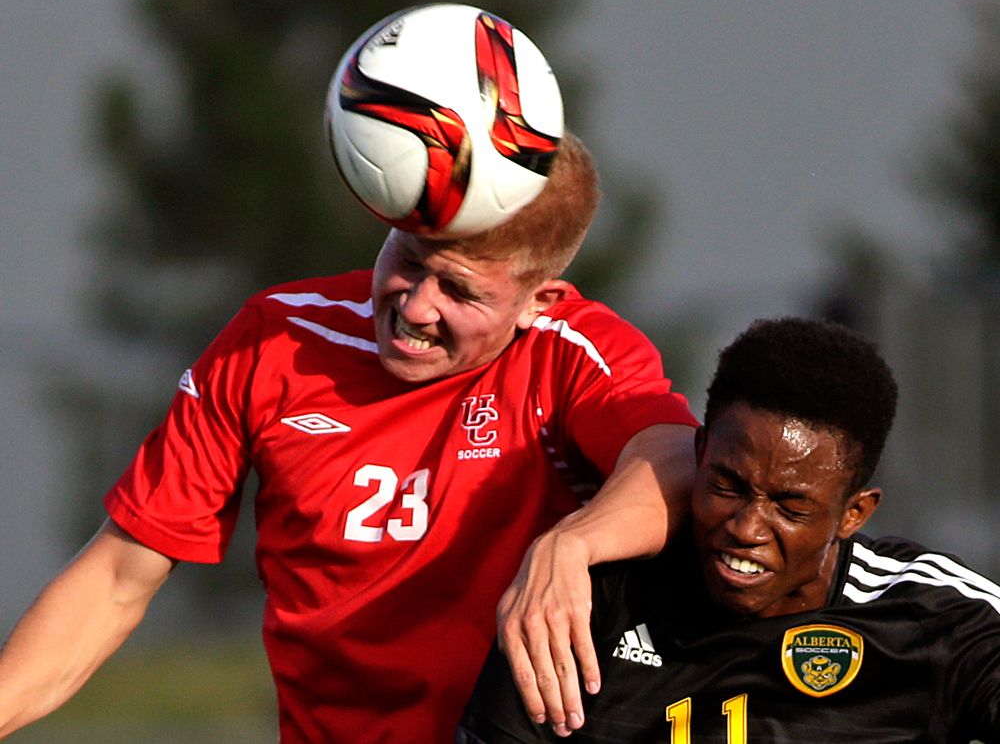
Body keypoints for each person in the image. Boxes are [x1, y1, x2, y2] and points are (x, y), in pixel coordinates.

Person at [0, 132, 698, 743]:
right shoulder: (273, 341)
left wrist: (572, 544)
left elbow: (673, 458)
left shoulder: (569, 352)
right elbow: (120, 578)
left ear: (538, 300)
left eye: (459, 292)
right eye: (410, 258)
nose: (416, 306)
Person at [459, 316, 1000, 743]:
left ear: (854, 514)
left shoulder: (937, 621)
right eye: (728, 485)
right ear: (699, 455)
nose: (745, 528)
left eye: (790, 507)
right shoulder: (591, 599)